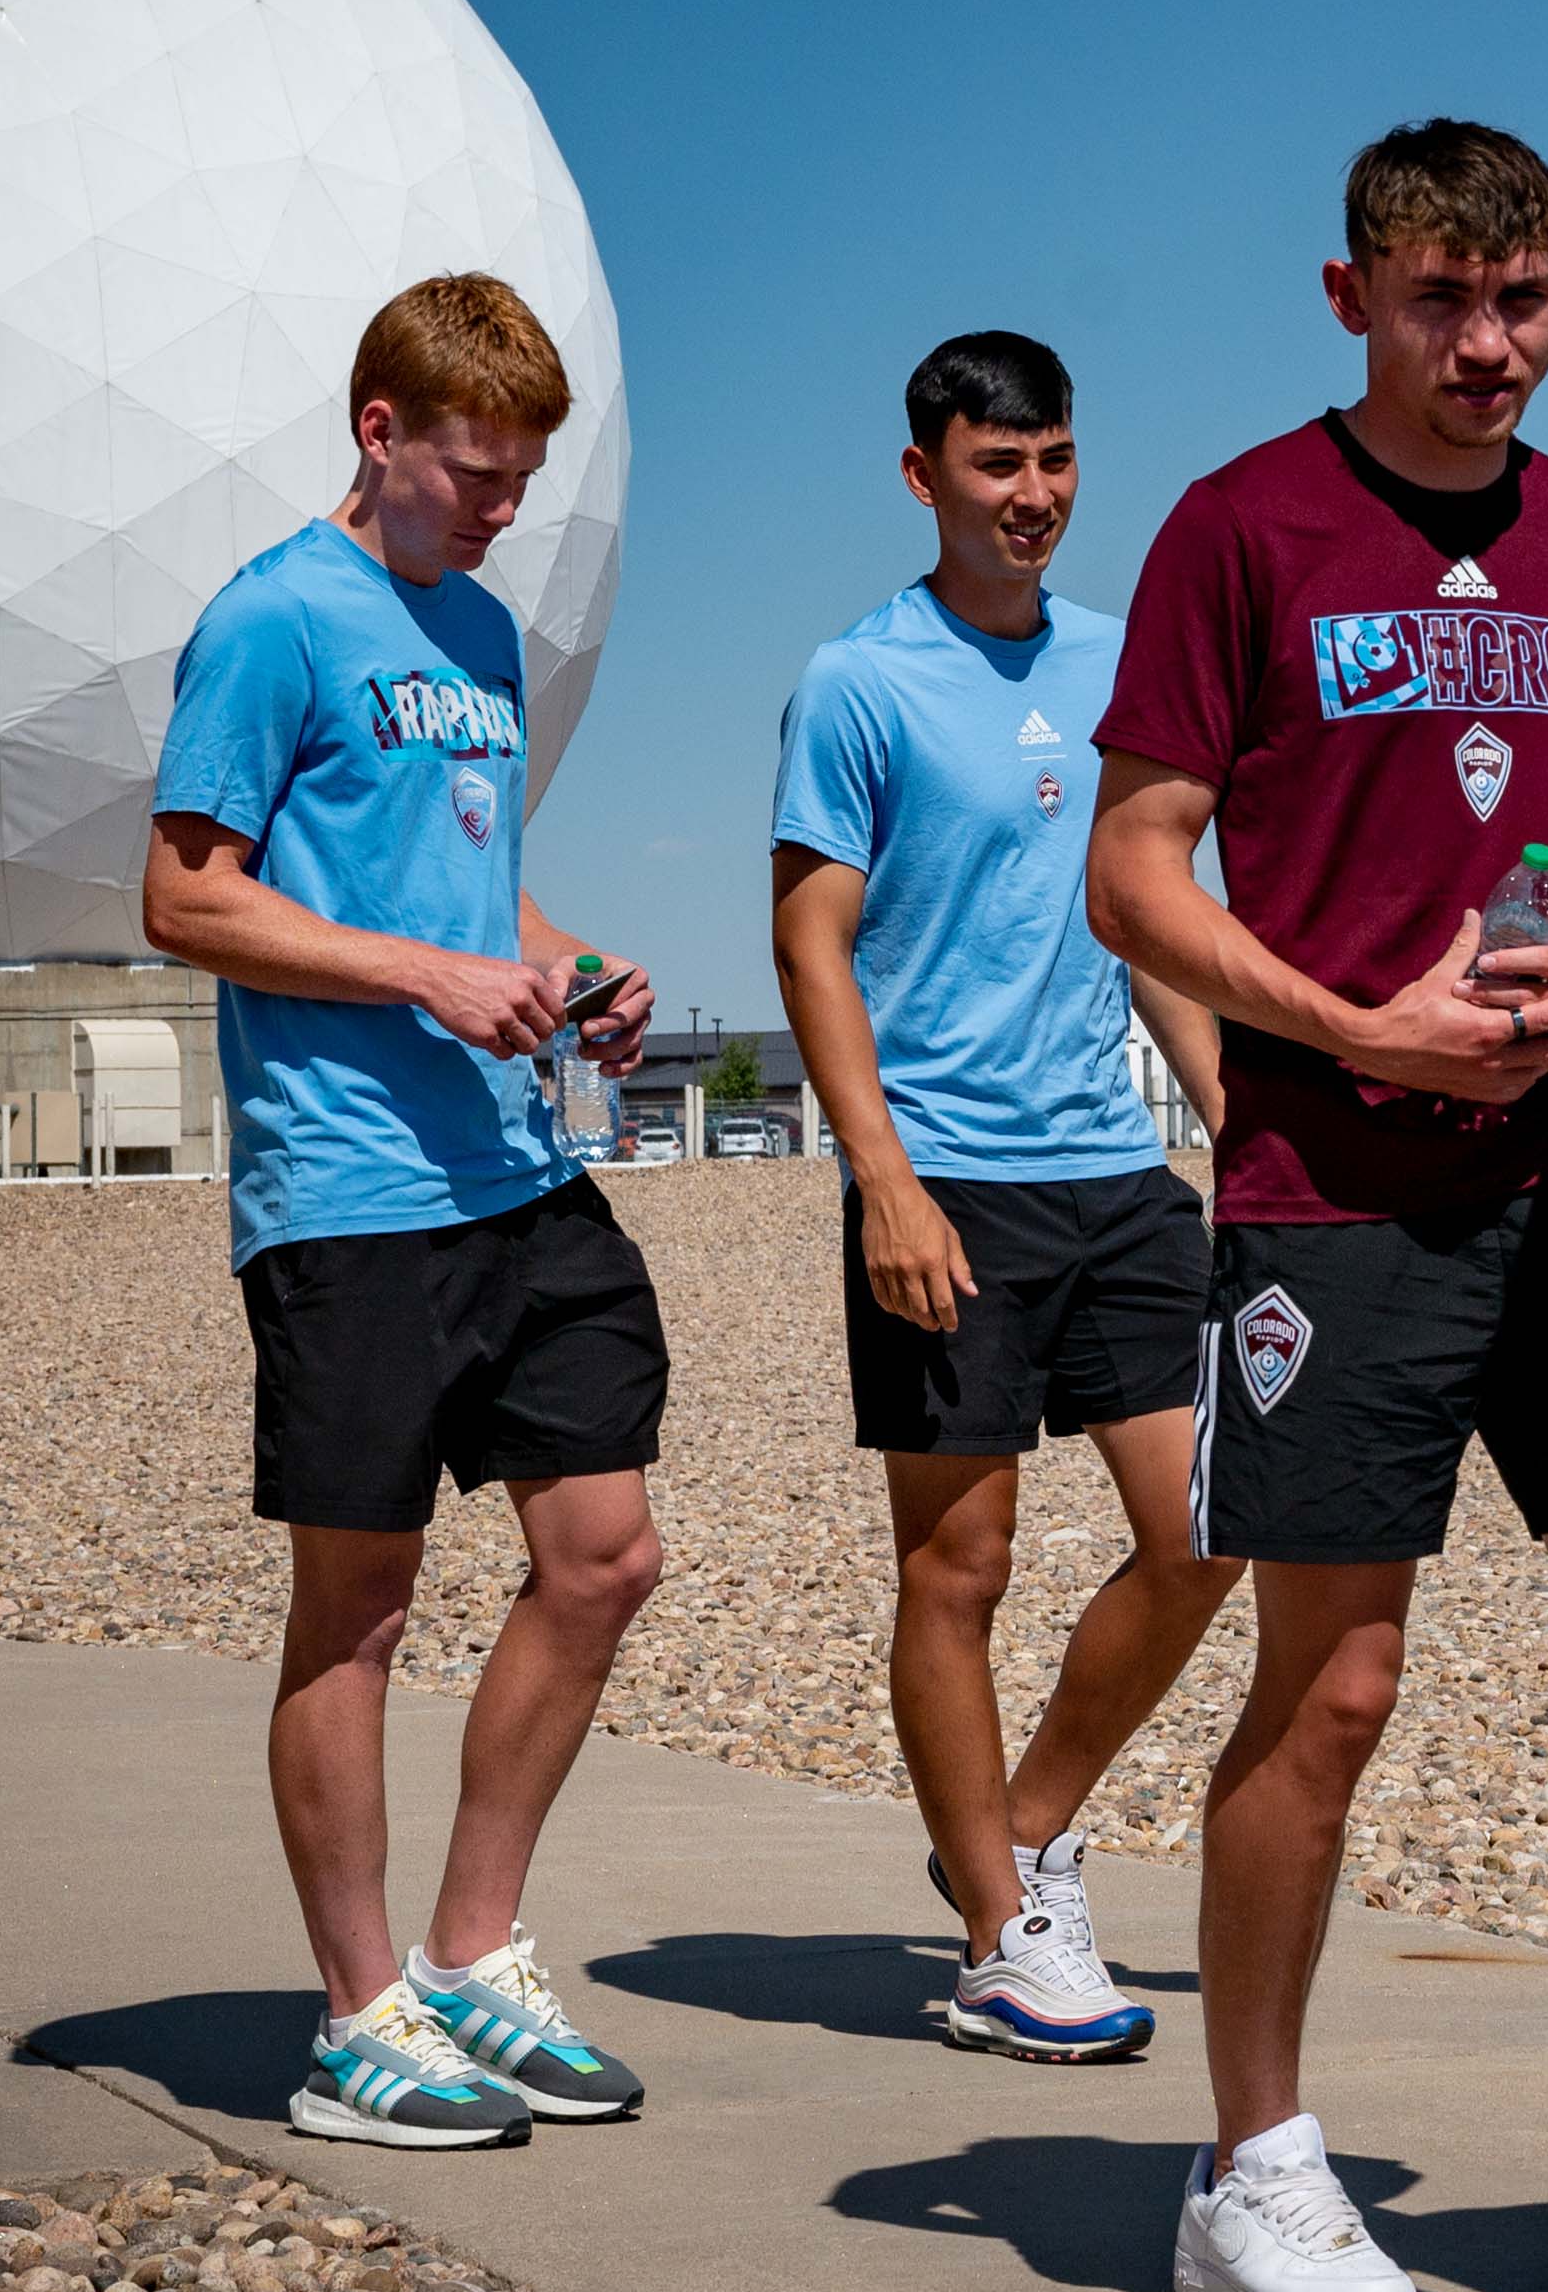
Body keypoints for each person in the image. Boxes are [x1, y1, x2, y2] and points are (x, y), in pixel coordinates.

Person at [1085, 119, 1548, 2292]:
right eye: (1437, 302)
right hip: (1341, 1183)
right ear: (1350, 297)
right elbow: (1136, 865)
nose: (1485, 346)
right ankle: (1254, 2166)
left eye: (1523, 300)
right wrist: (1346, 1020)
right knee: (1338, 1677)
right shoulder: (1241, 528)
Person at [146, 271, 672, 2151]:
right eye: (473, 471)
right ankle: (355, 2016)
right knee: (356, 1616)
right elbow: (186, 897)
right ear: (381, 432)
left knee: (604, 1550)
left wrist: (567, 962)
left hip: (515, 1165)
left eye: (524, 476)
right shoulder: (276, 621)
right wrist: (420, 979)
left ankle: (468, 1957)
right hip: (348, 1188)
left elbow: (476, 900)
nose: (501, 507)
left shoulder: (482, 633)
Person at [772, 329, 1245, 2064]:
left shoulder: (1122, 665)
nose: (1030, 495)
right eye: (995, 465)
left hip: (1116, 1176)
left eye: (1051, 460)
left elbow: (1149, 921)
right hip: (945, 1182)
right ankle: (996, 1935)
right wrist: (878, 1177)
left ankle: (1022, 1829)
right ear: (925, 476)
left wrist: (1234, 1123)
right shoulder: (859, 680)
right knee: (957, 1564)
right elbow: (808, 938)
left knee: (1209, 1522)